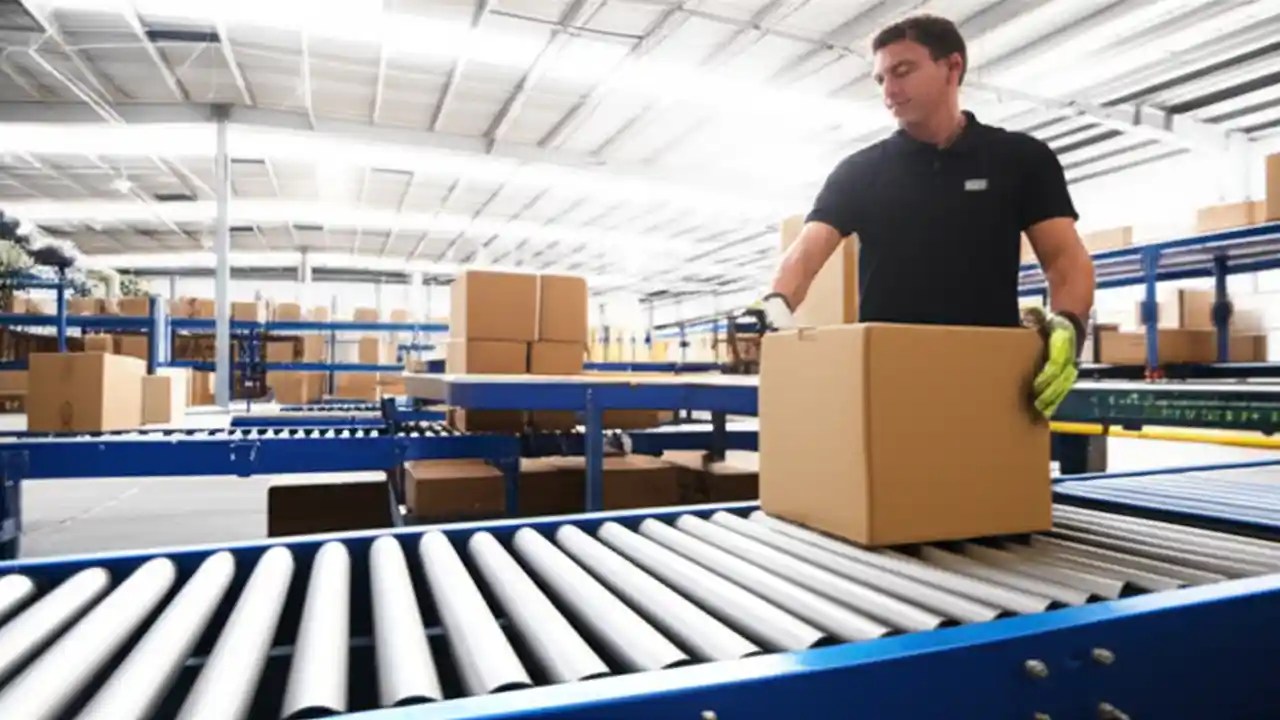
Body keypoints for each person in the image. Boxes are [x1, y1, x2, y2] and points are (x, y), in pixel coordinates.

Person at [756, 14, 1096, 418]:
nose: (890, 91)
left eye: (902, 71)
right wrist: (775, 304)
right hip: (890, 376)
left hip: (994, 375)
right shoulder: (860, 172)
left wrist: (1068, 326)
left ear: (952, 66)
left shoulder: (1020, 159)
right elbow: (806, 253)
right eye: (881, 80)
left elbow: (1064, 259)